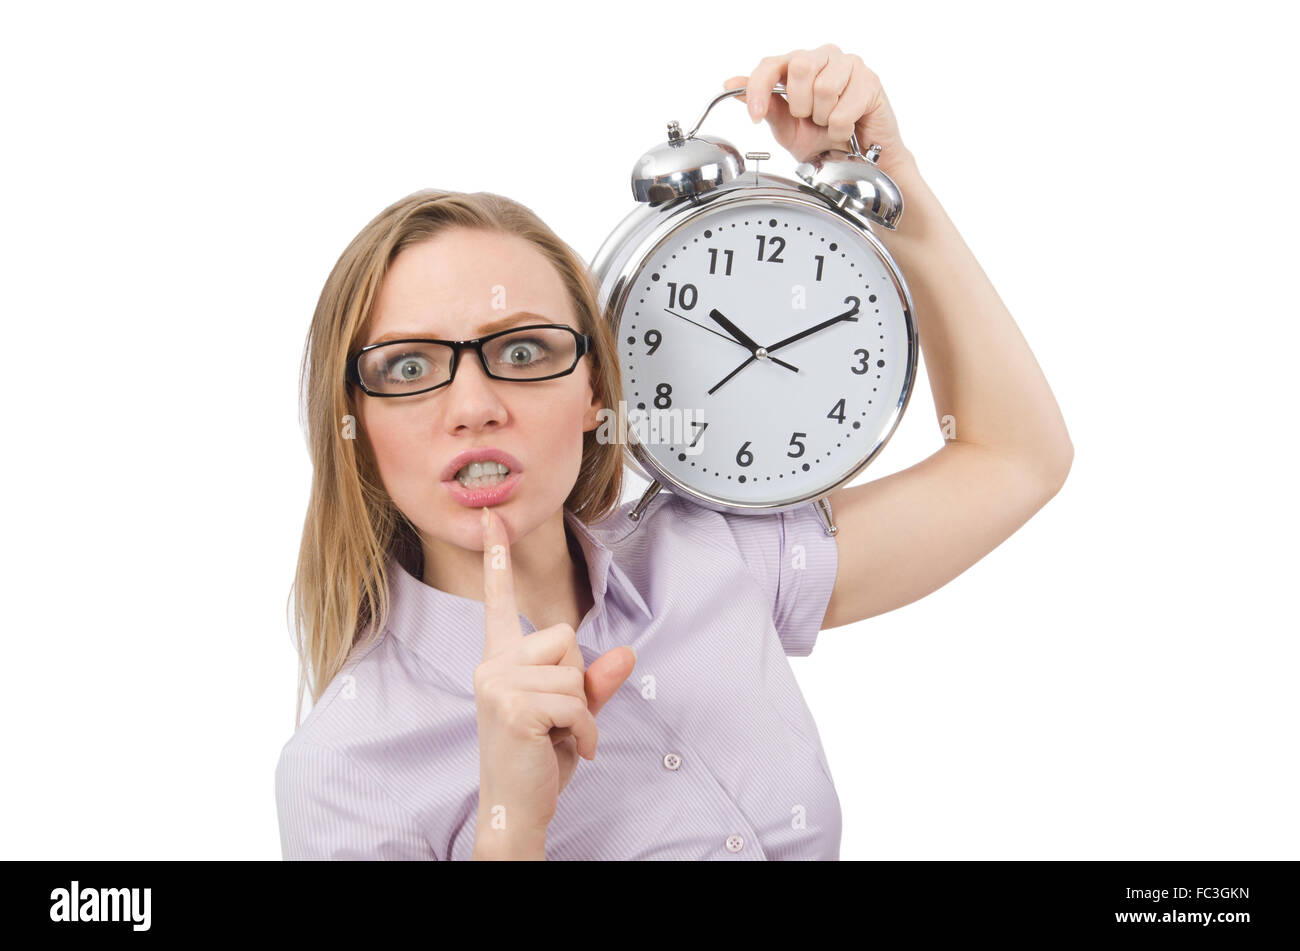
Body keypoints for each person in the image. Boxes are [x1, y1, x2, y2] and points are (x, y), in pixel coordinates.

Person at [274, 43, 1073, 861]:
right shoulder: (344, 769)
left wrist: (885, 176)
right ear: (356, 424)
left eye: (522, 352)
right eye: (410, 367)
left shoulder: (708, 552)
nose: (474, 407)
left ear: (595, 392)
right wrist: (510, 824)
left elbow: (1015, 459)